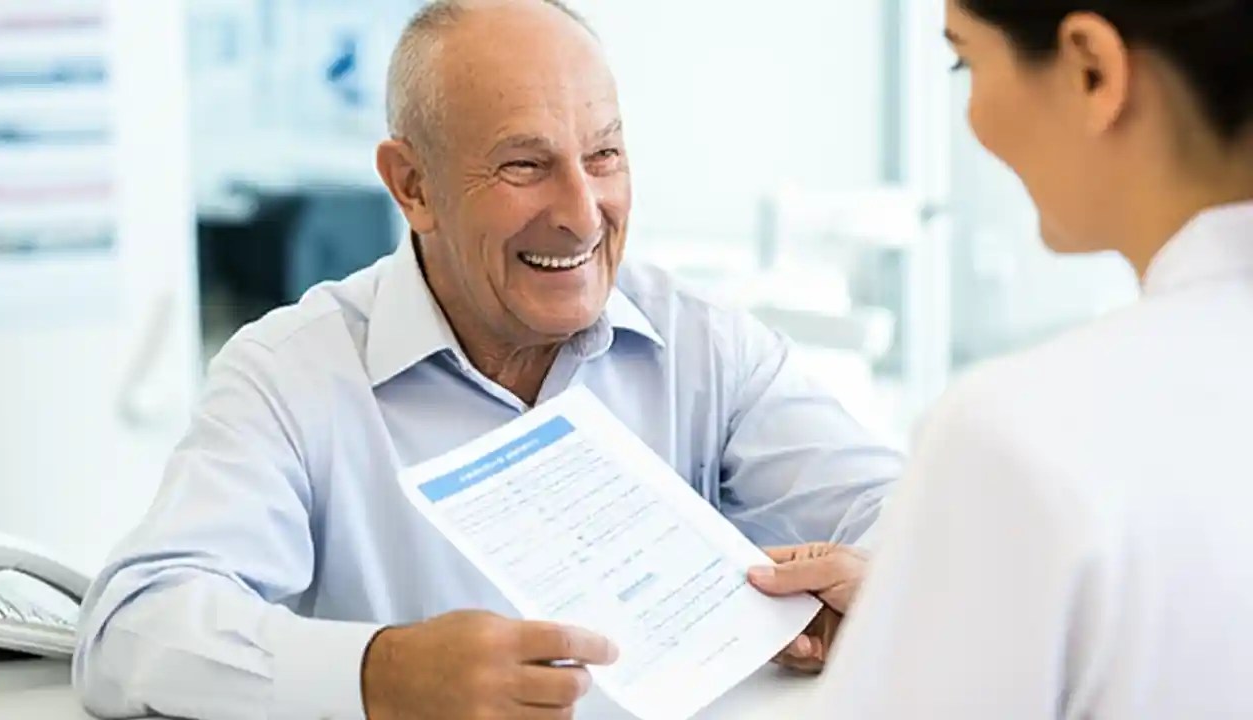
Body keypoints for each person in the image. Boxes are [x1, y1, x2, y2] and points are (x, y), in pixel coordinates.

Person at [73, 1, 904, 719]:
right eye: (525, 165)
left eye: (604, 155)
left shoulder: (699, 344)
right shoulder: (293, 375)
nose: (582, 215)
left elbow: (906, 511)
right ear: (412, 186)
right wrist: (378, 674)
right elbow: (133, 628)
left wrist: (876, 582)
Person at [748, 0, 1253, 717]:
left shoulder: (1026, 432)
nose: (972, 119)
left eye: (966, 61)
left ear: (1090, 69)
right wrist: (944, 599)